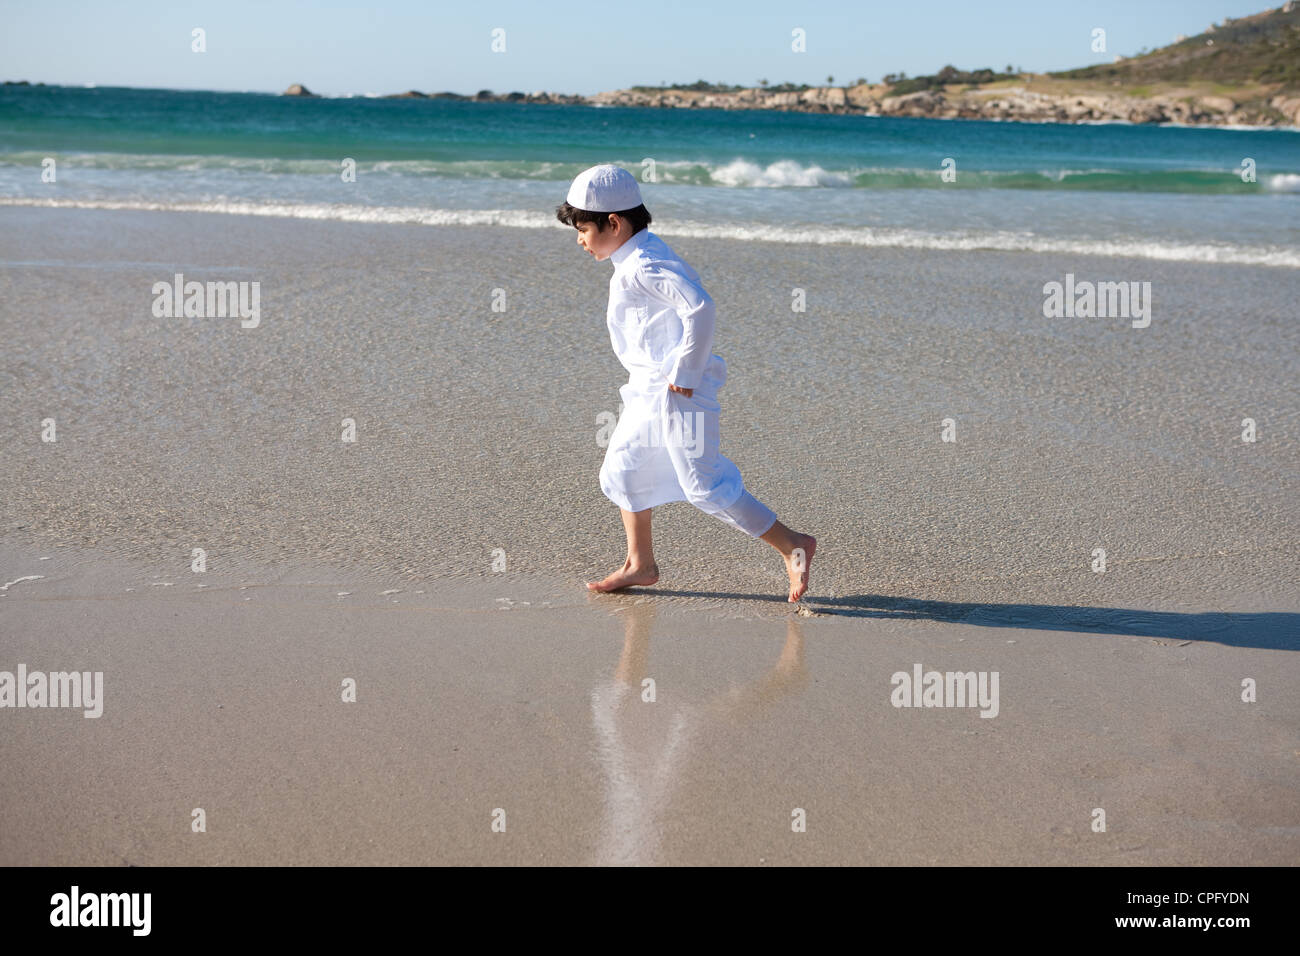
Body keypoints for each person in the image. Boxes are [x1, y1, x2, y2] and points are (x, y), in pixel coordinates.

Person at [555, 164, 815, 602]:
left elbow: (700, 309)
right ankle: (641, 564)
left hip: (678, 394)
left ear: (613, 223)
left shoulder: (645, 265)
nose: (580, 240)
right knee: (623, 469)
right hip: (648, 390)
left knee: (703, 484)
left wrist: (686, 372)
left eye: (583, 229)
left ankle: (794, 546)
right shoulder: (637, 255)